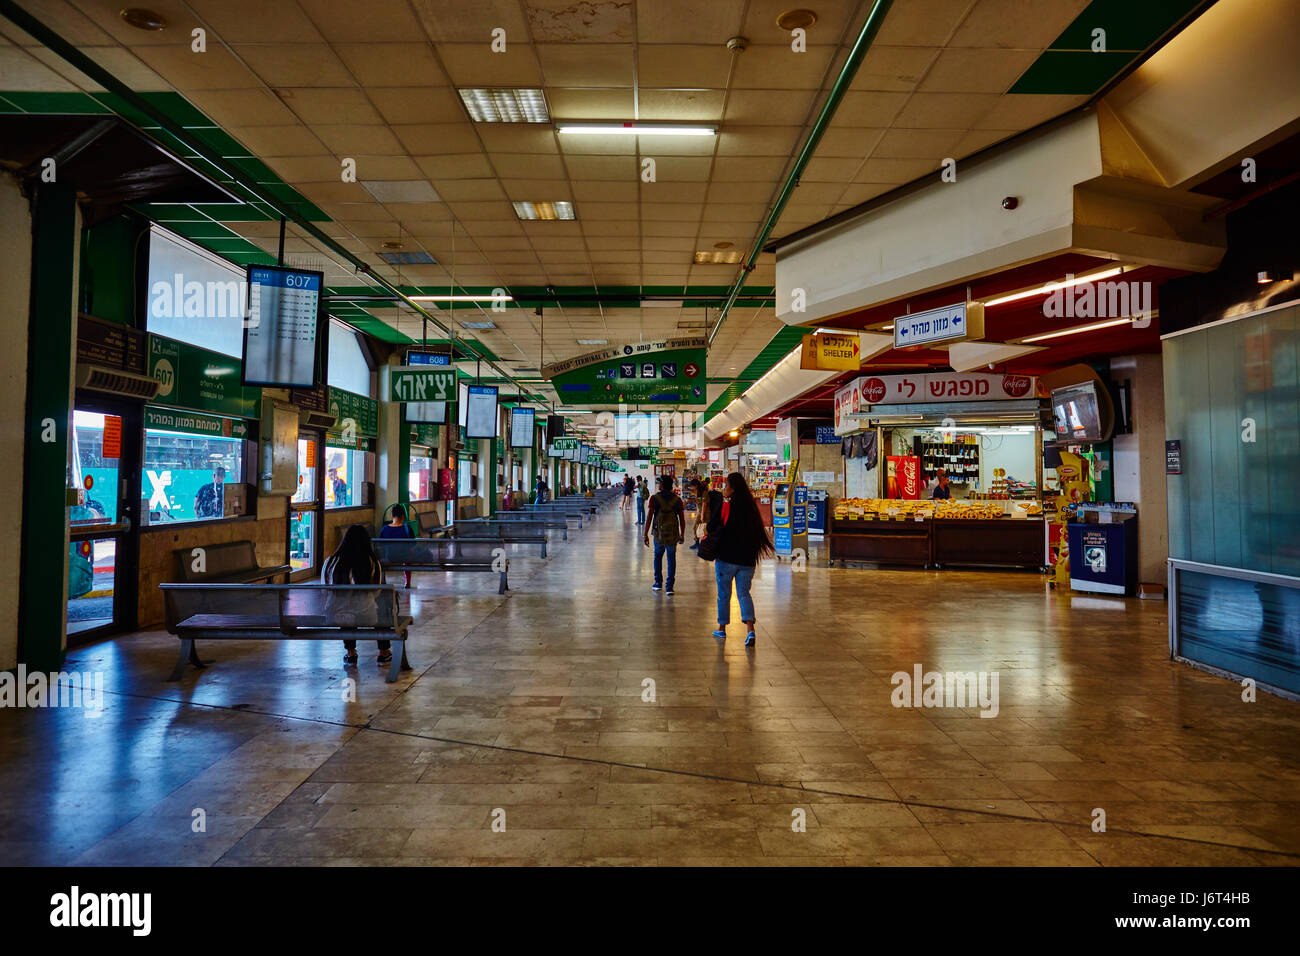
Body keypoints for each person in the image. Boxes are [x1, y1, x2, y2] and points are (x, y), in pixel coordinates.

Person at [711, 472, 775, 647]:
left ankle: (722, 628)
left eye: (726, 486)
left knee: (724, 594)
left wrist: (723, 501)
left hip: (726, 558)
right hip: (747, 561)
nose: (724, 489)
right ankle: (750, 630)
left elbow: (714, 524)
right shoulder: (751, 507)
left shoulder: (728, 505)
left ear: (732, 488)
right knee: (744, 594)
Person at [324, 523, 390, 666]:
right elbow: (377, 590)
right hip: (366, 616)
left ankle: (351, 652)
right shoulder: (372, 562)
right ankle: (384, 652)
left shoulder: (330, 561)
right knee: (383, 602)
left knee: (343, 606)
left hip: (334, 616)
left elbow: (326, 589)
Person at [643, 474, 685, 595]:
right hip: (673, 535)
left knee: (658, 557)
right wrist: (682, 534)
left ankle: (657, 583)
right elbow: (681, 519)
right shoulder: (677, 500)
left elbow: (649, 517)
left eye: (659, 482)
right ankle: (669, 587)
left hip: (659, 534)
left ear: (662, 484)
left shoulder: (654, 498)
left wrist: (645, 534)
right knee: (671, 559)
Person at [379, 503, 414, 588]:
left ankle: (383, 580)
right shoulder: (407, 528)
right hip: (404, 557)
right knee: (409, 557)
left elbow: (380, 544)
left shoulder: (385, 529)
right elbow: (413, 543)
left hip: (390, 557)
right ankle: (407, 582)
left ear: (392, 516)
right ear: (402, 516)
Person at [691, 477, 724, 552]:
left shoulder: (704, 492)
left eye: (692, 486)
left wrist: (702, 516)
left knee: (706, 529)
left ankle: (707, 544)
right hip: (700, 512)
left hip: (705, 513)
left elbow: (704, 505)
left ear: (696, 485)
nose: (691, 487)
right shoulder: (697, 492)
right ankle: (697, 542)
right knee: (695, 527)